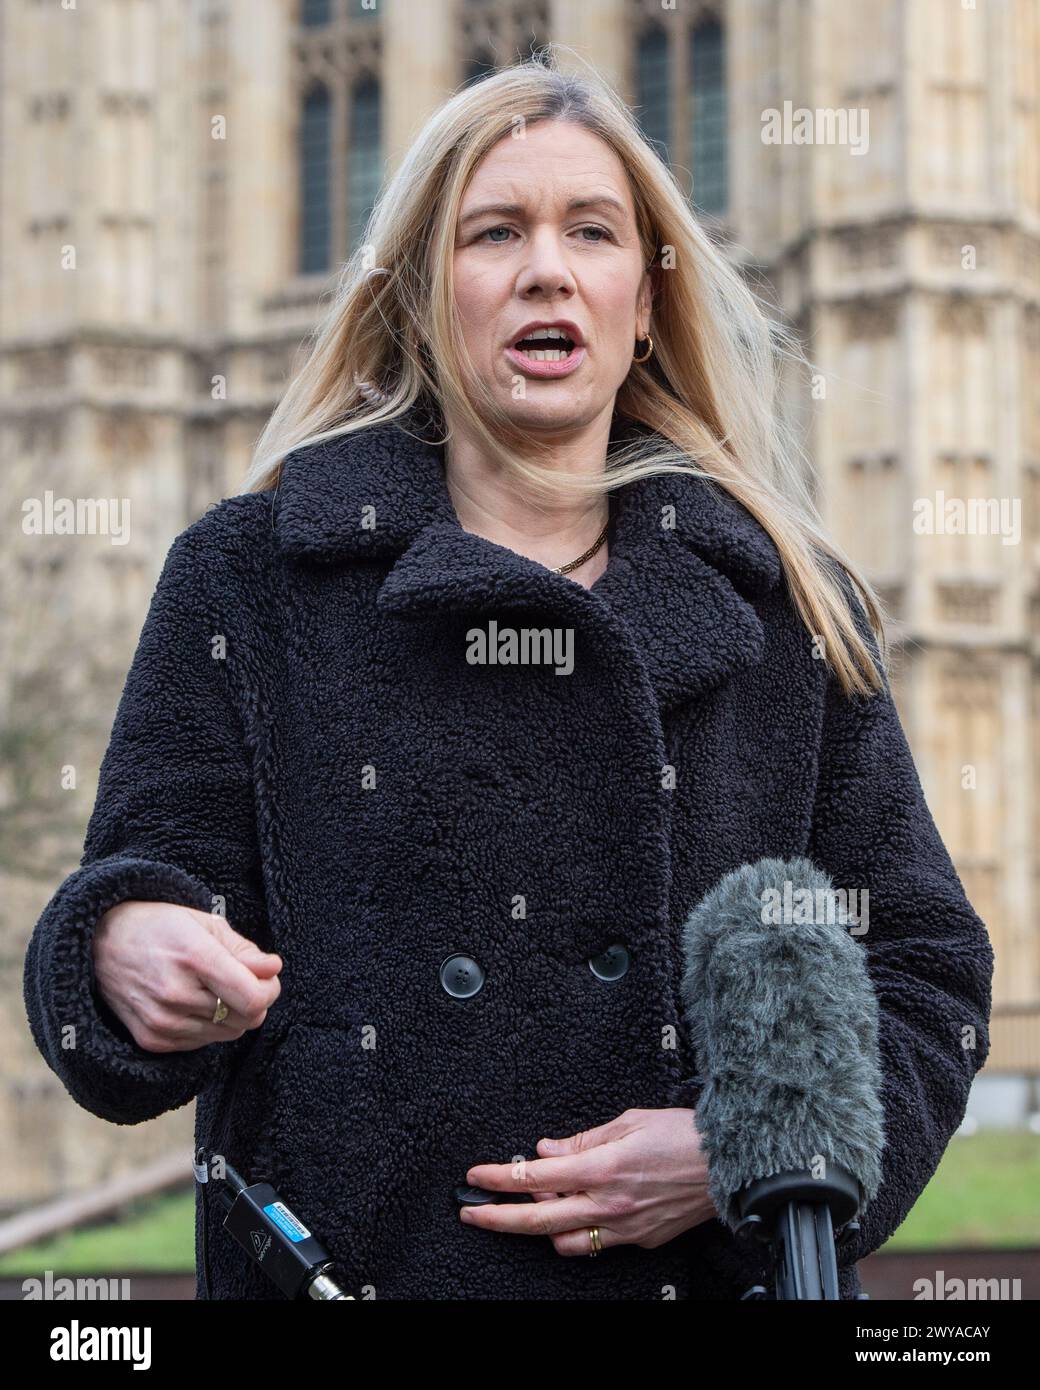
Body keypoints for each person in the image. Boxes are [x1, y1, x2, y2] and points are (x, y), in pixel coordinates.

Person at [23, 53, 993, 1300]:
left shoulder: (786, 606)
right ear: (422, 299)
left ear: (643, 303)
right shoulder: (248, 580)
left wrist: (744, 1148)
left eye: (591, 231)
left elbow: (919, 964)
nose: (547, 267)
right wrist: (118, 949)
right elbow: (136, 895)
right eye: (494, 233)